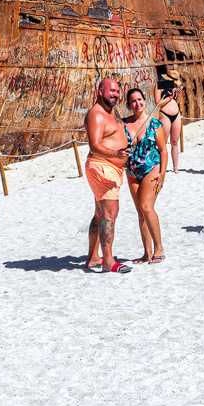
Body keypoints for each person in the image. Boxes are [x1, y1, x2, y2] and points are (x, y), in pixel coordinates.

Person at [83, 77, 131, 273]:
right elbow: (94, 146)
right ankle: (108, 260)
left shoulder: (112, 110)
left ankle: (93, 258)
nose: (115, 95)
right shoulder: (96, 114)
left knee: (100, 214)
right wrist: (115, 154)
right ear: (100, 90)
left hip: (112, 167)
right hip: (102, 166)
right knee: (110, 213)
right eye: (111, 91)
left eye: (117, 92)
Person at [121, 88, 166, 262]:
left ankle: (159, 248)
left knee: (147, 207)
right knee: (140, 212)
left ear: (144, 100)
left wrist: (162, 174)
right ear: (129, 104)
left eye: (140, 99)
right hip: (132, 172)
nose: (137, 103)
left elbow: (163, 151)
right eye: (133, 101)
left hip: (151, 168)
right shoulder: (123, 124)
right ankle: (147, 253)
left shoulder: (154, 124)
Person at [154, 61, 183, 169]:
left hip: (176, 114)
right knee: (163, 142)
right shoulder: (159, 86)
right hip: (165, 114)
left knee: (175, 142)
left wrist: (178, 94)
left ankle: (175, 167)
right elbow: (158, 103)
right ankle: (161, 166)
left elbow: (177, 102)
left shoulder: (173, 87)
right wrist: (170, 97)